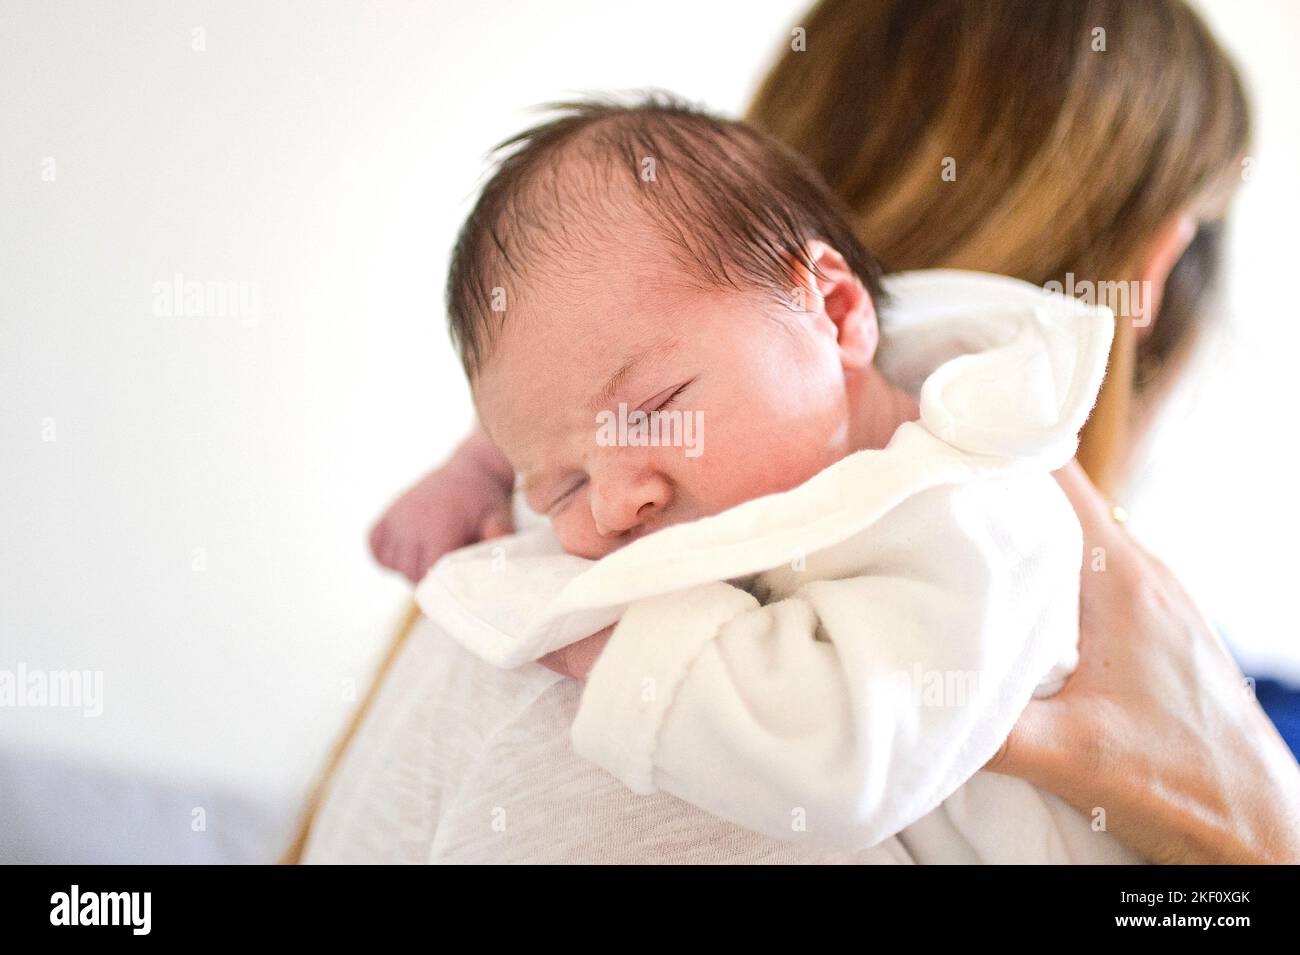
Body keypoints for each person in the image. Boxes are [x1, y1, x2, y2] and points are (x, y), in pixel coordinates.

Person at [307, 0, 1300, 864]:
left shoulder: (963, 508)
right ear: (1154, 268)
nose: (605, 504)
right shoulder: (647, 753)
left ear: (834, 310)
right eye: (557, 482)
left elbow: (851, 748)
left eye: (654, 410)